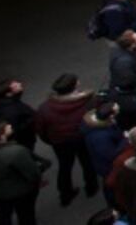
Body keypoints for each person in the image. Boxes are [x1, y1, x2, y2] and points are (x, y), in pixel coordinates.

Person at [35, 73, 97, 206]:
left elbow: (41, 129)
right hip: (82, 138)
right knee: (87, 163)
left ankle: (65, 194)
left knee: (65, 166)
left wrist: (51, 140)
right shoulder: (88, 101)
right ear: (75, 85)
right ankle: (91, 187)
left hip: (60, 142)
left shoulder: (45, 108)